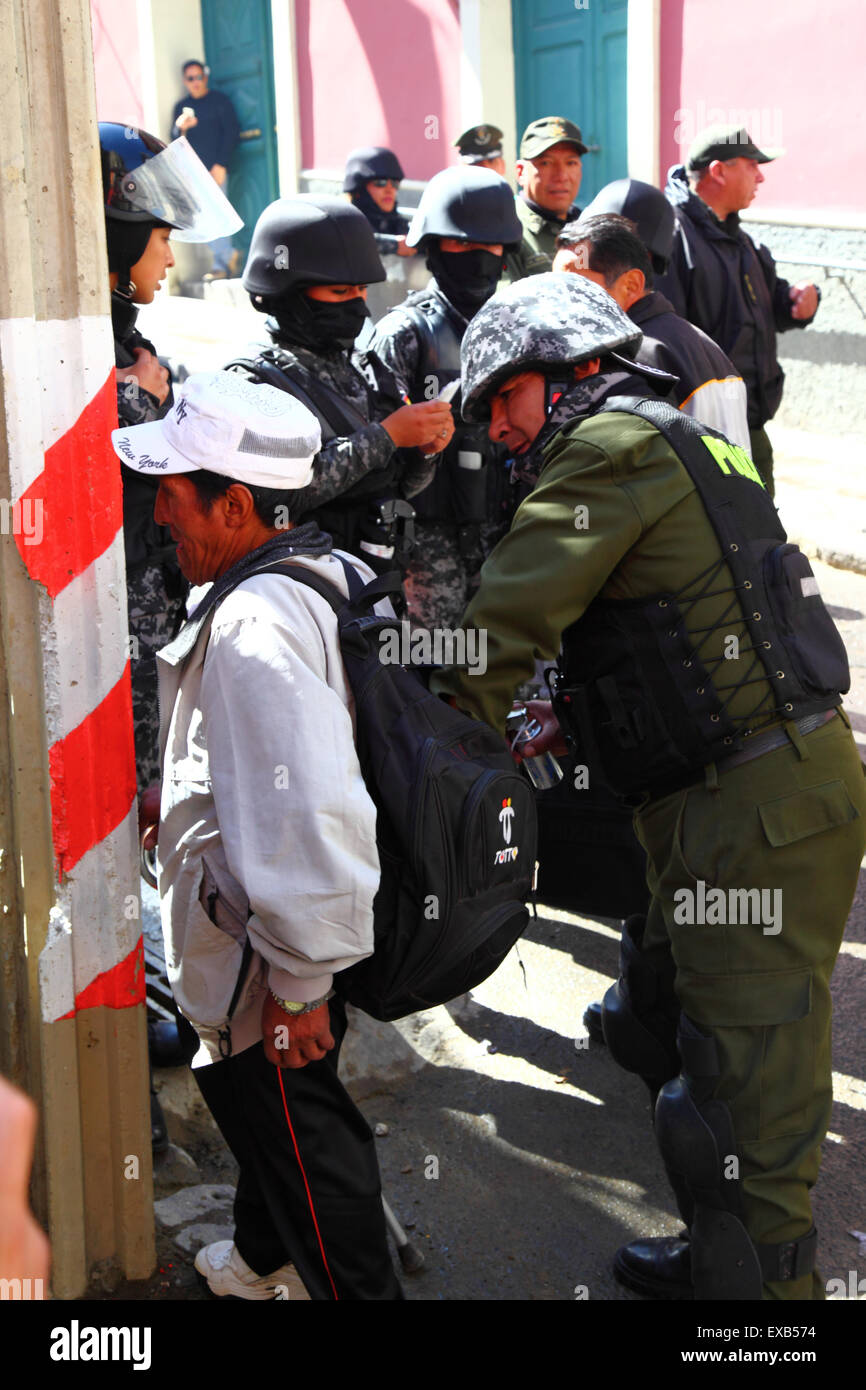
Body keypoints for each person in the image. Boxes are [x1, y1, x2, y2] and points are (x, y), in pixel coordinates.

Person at [431, 272, 865, 1301]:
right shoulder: (681, 437)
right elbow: (667, 619)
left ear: (570, 368)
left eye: (503, 398)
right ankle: (719, 1264)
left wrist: (409, 720)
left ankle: (763, 1307)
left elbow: (495, 632)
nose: (495, 430)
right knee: (669, 1030)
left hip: (746, 808)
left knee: (741, 1105)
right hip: (746, 791)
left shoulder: (609, 450)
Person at [116, 371, 403, 1301]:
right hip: (285, 940)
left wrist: (300, 985)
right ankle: (259, 1261)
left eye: (174, 492)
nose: (161, 513)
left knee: (311, 1149)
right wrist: (185, 790)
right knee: (267, 1124)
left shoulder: (251, 621)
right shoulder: (319, 569)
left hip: (268, 957)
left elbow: (306, 805)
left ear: (236, 504)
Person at [101, 121, 243, 1128]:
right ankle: (113, 1007)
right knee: (116, 822)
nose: (168, 255)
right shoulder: (83, 358)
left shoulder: (127, 340)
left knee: (145, 816)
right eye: (154, 238)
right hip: (105, 641)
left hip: (147, 630)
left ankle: (137, 986)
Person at [232, 195, 453, 592]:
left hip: (376, 585)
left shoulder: (365, 366)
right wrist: (385, 437)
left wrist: (425, 450)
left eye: (360, 291)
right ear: (288, 293)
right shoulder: (254, 381)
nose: (357, 306)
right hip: (301, 595)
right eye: (339, 293)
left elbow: (397, 485)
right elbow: (275, 496)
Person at [369, 166, 523, 629]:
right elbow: (377, 457)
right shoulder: (404, 333)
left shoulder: (518, 328)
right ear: (434, 249)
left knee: (503, 672)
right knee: (433, 672)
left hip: (506, 538)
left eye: (487, 246)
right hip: (428, 548)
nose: (476, 257)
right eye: (461, 244)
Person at [657, 125, 820, 496]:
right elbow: (662, 342)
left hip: (751, 426)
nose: (761, 175)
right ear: (719, 171)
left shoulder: (741, 241)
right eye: (752, 164)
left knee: (763, 543)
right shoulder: (672, 237)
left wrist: (798, 304)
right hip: (702, 434)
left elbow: (771, 308)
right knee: (715, 545)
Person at [554, 199, 752, 453]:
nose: (560, 299)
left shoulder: (634, 359)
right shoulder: (703, 344)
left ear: (631, 284)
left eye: (573, 283)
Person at [171, 60, 240, 279]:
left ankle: (222, 263)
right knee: (205, 218)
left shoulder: (220, 101)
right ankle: (227, 257)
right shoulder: (180, 107)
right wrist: (181, 127)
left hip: (216, 170)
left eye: (198, 77)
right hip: (193, 174)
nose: (195, 82)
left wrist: (221, 165)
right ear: (185, 81)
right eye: (190, 78)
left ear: (205, 78)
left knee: (219, 214)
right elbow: (175, 142)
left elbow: (231, 132)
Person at [502, 116, 586, 284]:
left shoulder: (587, 227)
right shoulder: (506, 229)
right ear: (520, 172)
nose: (561, 176)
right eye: (546, 163)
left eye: (570, 163)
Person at [343, 146, 415, 257]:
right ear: (360, 187)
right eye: (381, 182)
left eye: (395, 183)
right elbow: (353, 242)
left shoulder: (396, 222)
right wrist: (393, 246)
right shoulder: (346, 221)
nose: (389, 189)